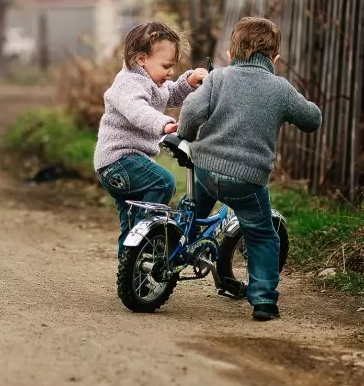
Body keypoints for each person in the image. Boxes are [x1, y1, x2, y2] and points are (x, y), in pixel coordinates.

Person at [178, 17, 322, 321]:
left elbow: (191, 109)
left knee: (192, 210)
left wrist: (187, 136)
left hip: (206, 169)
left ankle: (171, 252)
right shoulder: (280, 89)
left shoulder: (218, 79)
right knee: (262, 236)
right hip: (246, 180)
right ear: (275, 58)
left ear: (231, 55)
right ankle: (264, 300)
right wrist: (313, 109)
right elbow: (311, 119)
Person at [94, 21, 209, 257]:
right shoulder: (128, 83)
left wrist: (187, 83)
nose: (170, 72)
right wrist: (163, 124)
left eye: (173, 67)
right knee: (163, 182)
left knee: (129, 219)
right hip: (120, 159)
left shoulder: (154, 82)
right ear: (141, 59)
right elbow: (137, 110)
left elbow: (169, 95)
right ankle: (146, 239)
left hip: (124, 163)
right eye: (166, 66)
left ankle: (133, 273)